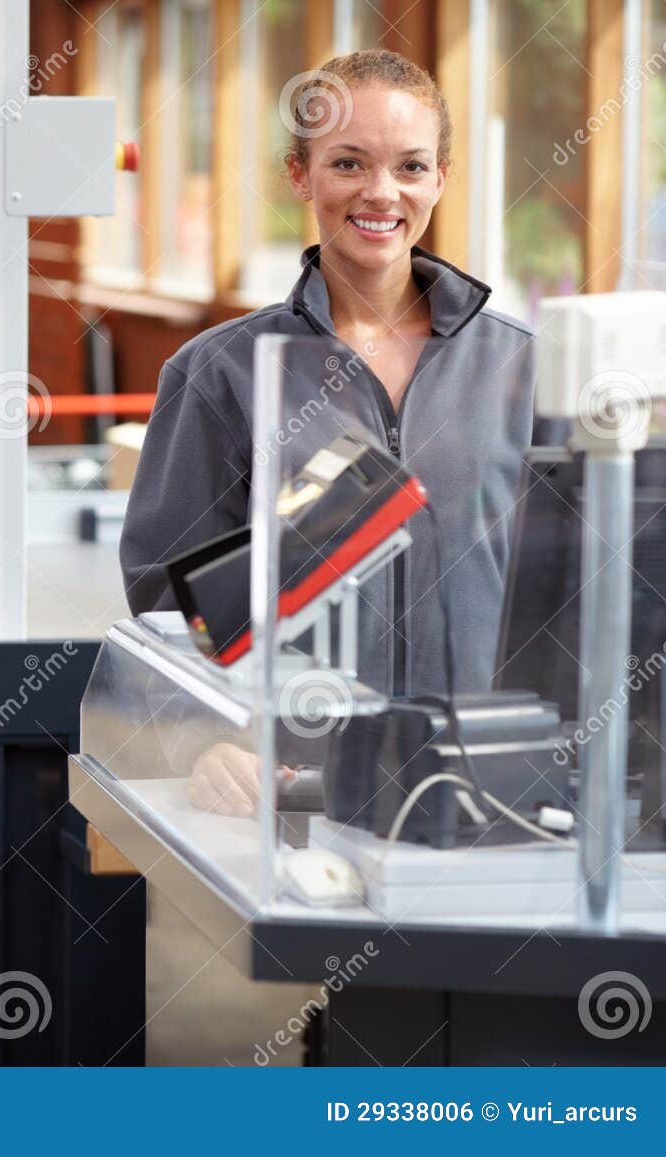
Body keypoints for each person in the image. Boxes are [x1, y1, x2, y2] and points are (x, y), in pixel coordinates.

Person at [118, 50, 538, 817]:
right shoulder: (222, 373)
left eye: (411, 166)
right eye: (349, 163)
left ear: (440, 179)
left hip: (488, 788)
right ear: (299, 175)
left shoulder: (519, 366)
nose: (382, 192)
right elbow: (166, 602)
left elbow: (575, 587)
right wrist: (200, 739)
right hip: (291, 794)